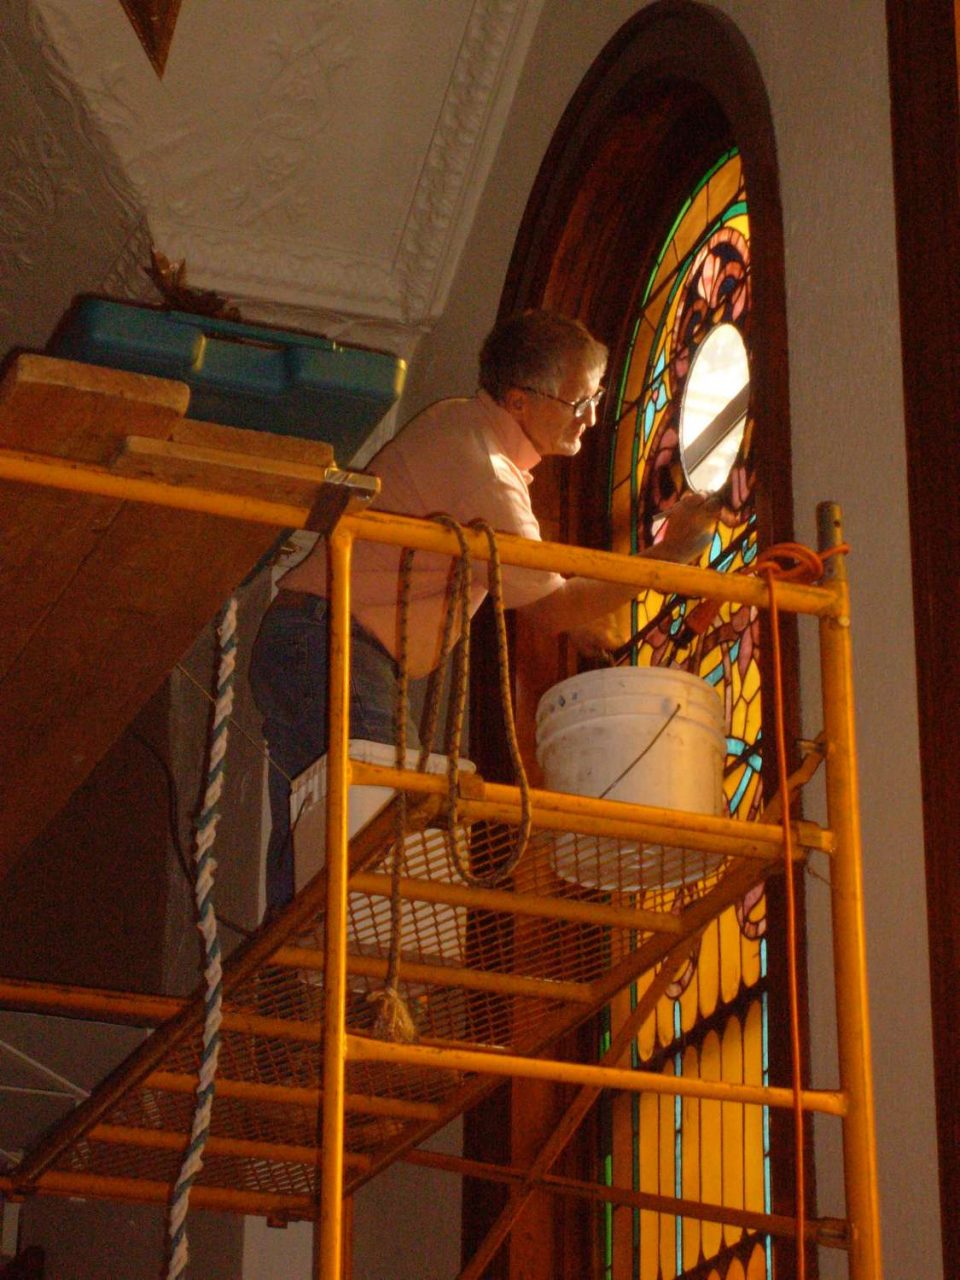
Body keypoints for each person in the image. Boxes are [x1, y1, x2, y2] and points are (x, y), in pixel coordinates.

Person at [249, 310, 715, 911]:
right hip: (330, 640)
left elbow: (540, 595)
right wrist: (672, 553)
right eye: (579, 401)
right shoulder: (485, 471)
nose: (592, 417)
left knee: (319, 824)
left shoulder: (461, 428)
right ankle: (344, 982)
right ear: (520, 401)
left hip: (314, 639)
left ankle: (302, 979)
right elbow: (551, 610)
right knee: (372, 829)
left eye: (596, 398)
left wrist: (584, 613)